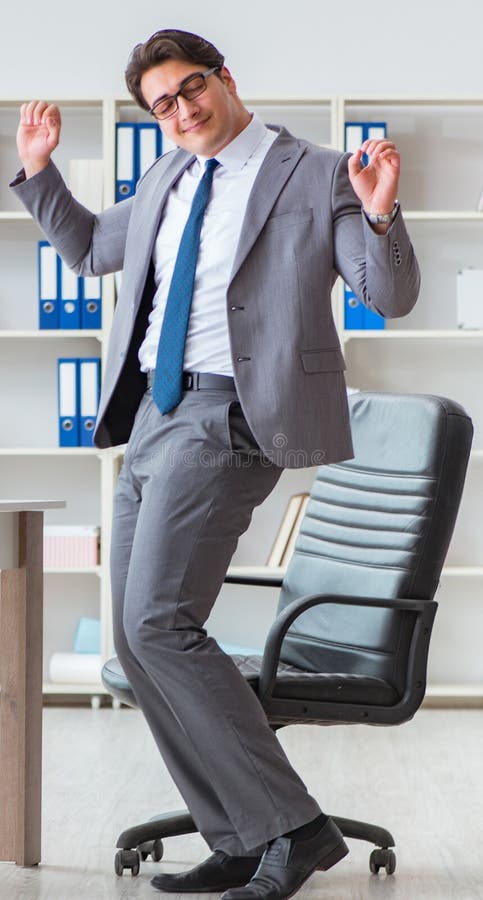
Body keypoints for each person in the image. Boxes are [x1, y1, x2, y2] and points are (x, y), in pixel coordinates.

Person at [11, 28, 419, 899]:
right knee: (133, 633)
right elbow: (89, 250)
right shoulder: (164, 175)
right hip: (154, 419)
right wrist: (39, 172)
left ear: (224, 78)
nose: (183, 110)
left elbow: (385, 293)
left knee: (158, 620)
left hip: (233, 414)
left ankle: (295, 828)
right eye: (162, 104)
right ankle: (237, 835)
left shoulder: (312, 171)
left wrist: (379, 212)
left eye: (191, 88)